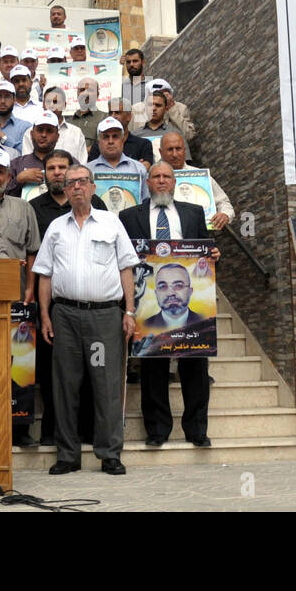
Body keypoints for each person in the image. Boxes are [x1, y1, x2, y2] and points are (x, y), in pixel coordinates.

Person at [35, 165, 138, 475]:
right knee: (65, 385)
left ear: (93, 188)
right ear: (65, 190)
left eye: (82, 182)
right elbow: (44, 274)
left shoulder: (111, 223)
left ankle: (109, 454)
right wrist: (45, 315)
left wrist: (130, 311)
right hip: (64, 316)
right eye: (70, 183)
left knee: (106, 384)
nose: (76, 187)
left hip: (104, 317)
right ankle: (67, 455)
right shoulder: (55, 227)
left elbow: (126, 268)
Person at [118, 162, 218, 447]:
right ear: (147, 183)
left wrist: (213, 254)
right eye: (156, 177)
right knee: (153, 367)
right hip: (149, 299)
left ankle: (197, 430)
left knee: (195, 366)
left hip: (191, 297)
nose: (161, 181)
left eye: (167, 176)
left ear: (174, 182)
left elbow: (205, 250)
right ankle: (157, 430)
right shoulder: (128, 216)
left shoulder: (194, 213)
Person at [28, 151, 107, 446]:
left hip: (94, 306)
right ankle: (52, 432)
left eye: (63, 167)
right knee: (54, 374)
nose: (58, 173)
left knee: (90, 371)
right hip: (55, 306)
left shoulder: (95, 205)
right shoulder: (34, 208)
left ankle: (88, 431)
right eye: (52, 168)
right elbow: (35, 258)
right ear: (45, 173)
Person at [0, 147, 43, 446]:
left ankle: (20, 430)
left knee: (20, 365)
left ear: (8, 176)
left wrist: (30, 288)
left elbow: (32, 252)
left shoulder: (23, 208)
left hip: (18, 298)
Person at [158, 133, 234, 229]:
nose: (174, 154)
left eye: (178, 149)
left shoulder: (201, 177)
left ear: (185, 150)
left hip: (199, 236)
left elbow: (224, 203)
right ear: (160, 152)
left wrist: (225, 214)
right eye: (170, 149)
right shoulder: (153, 178)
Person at [88, 116, 149, 203]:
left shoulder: (139, 169)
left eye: (115, 136)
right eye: (105, 137)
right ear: (98, 142)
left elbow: (146, 202)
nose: (110, 141)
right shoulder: (88, 171)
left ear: (123, 140)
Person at [90, 98, 154, 169]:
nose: (113, 116)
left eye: (117, 112)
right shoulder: (98, 146)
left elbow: (142, 169)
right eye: (110, 113)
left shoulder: (143, 144)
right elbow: (94, 170)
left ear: (129, 116)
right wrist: (134, 166)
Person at [8, 111, 61, 194]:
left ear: (57, 136)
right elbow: (0, 196)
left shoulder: (69, 164)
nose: (44, 135)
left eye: (49, 131)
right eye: (40, 130)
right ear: (31, 134)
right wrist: (18, 180)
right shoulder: (16, 165)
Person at [35, 87, 88, 164]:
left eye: (55, 102)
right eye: (48, 102)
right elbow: (29, 163)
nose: (51, 106)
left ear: (64, 105)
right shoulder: (31, 132)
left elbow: (82, 164)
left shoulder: (76, 133)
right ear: (43, 104)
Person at [0, 80, 30, 151]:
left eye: (7, 97)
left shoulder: (24, 127)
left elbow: (27, 152)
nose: (2, 101)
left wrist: (4, 138)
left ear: (14, 99)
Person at [70, 77, 106, 148]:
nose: (85, 93)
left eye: (90, 90)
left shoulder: (105, 119)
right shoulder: (68, 123)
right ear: (77, 94)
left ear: (97, 94)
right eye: (82, 90)